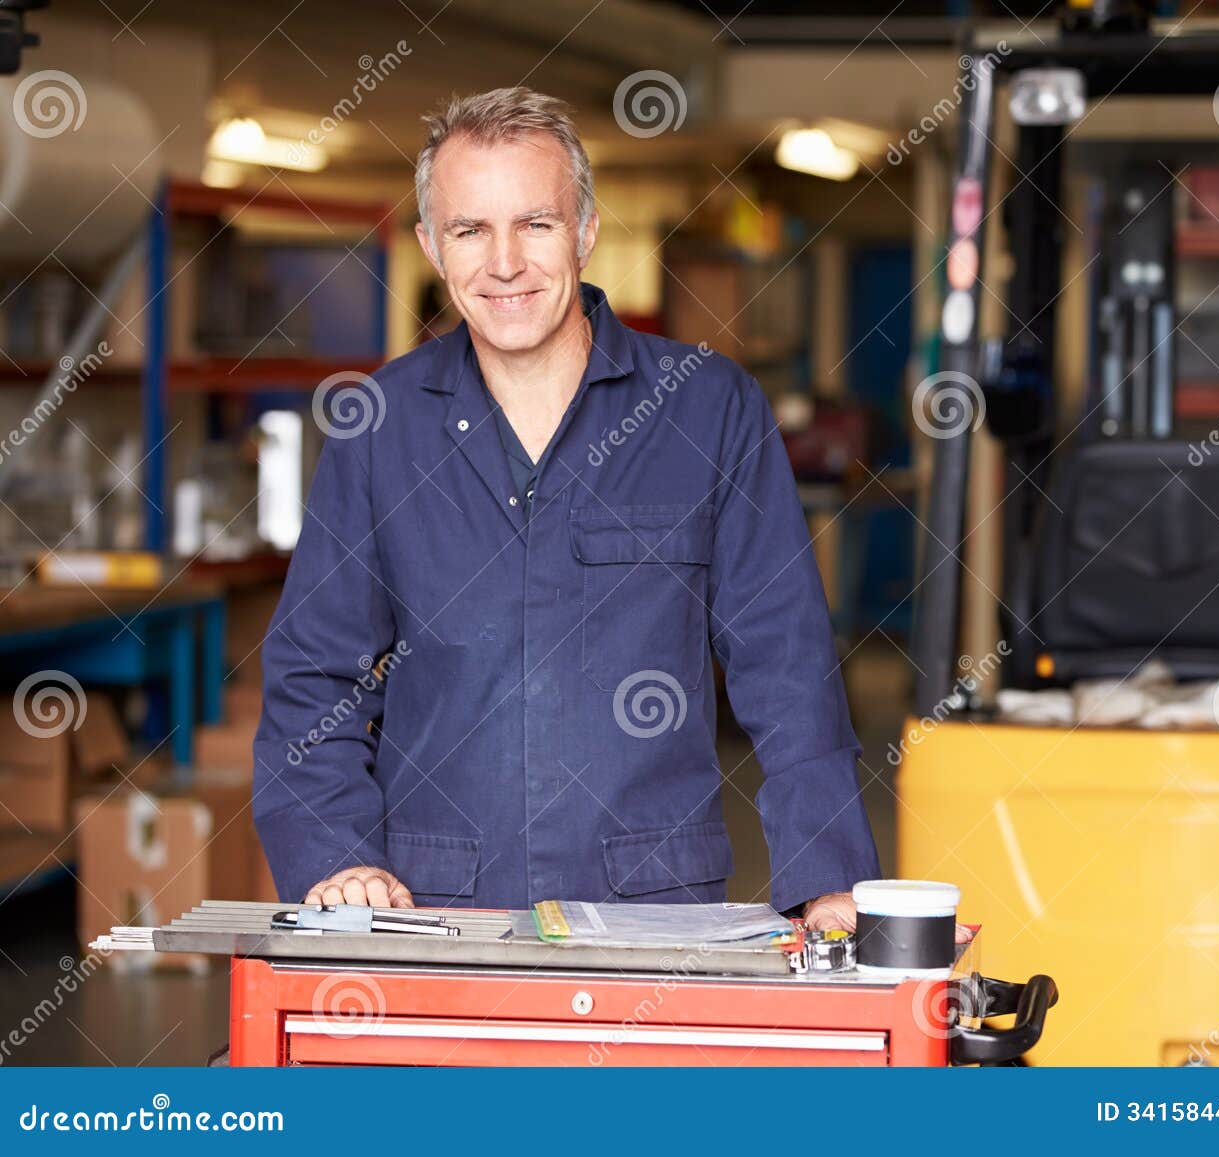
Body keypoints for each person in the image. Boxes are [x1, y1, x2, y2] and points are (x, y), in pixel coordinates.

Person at [252, 87, 878, 932]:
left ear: (584, 231)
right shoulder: (381, 427)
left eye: (535, 224)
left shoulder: (706, 410)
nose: (504, 263)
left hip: (651, 909)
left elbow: (786, 659)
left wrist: (828, 873)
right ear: (432, 245)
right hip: (436, 910)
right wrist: (337, 855)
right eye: (470, 230)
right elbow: (313, 675)